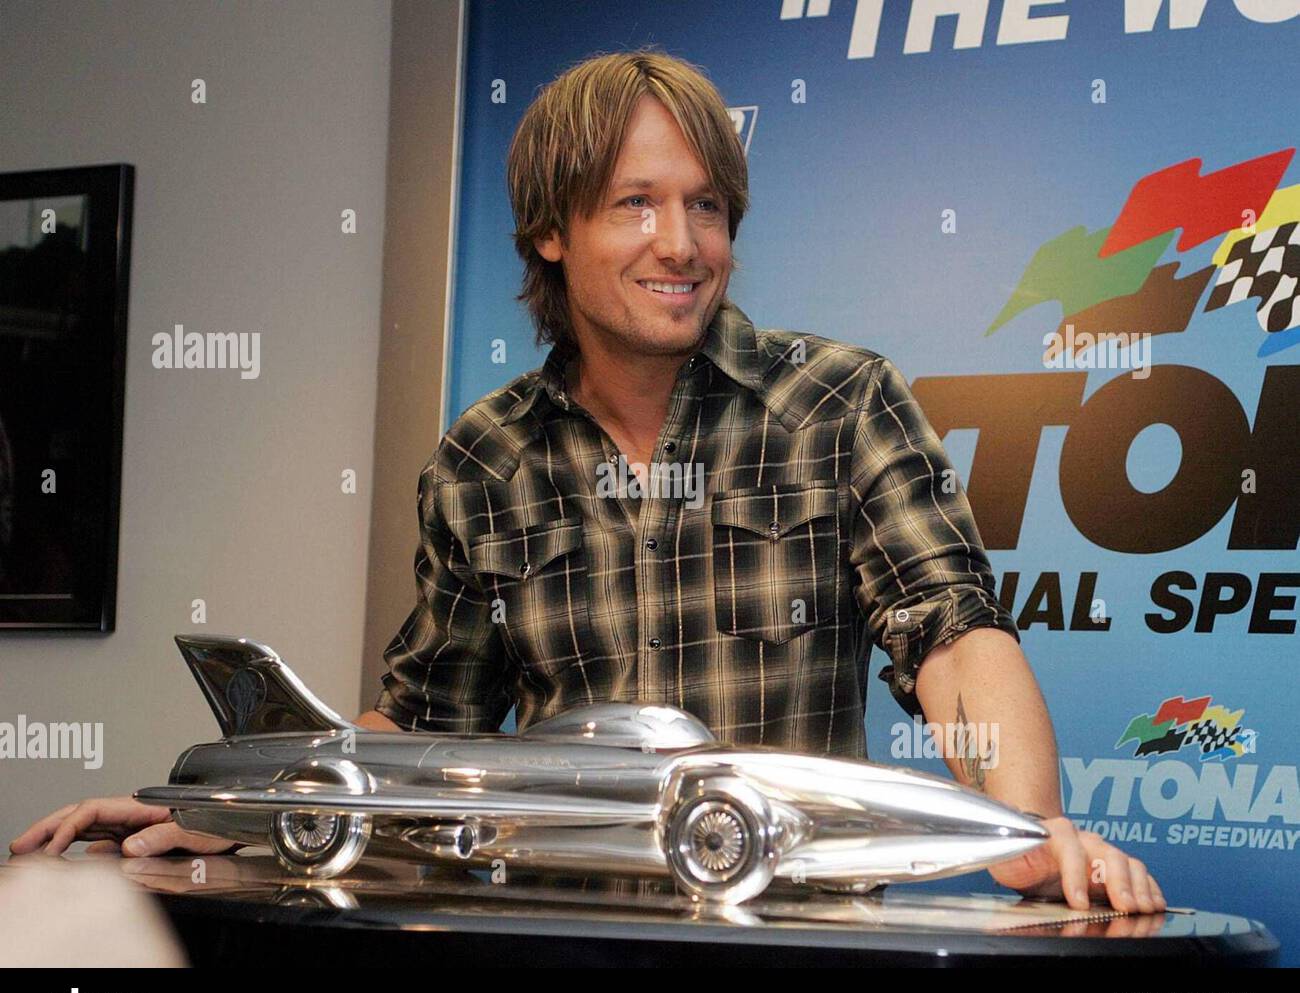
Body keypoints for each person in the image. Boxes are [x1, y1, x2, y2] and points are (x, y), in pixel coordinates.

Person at [12, 49, 1164, 916]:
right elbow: (419, 734)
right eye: (636, 203)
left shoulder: (837, 401)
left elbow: (953, 636)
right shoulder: (485, 458)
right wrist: (225, 805)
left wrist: (1021, 825)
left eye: (706, 205)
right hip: (553, 950)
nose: (683, 242)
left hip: (799, 957)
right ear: (549, 230)